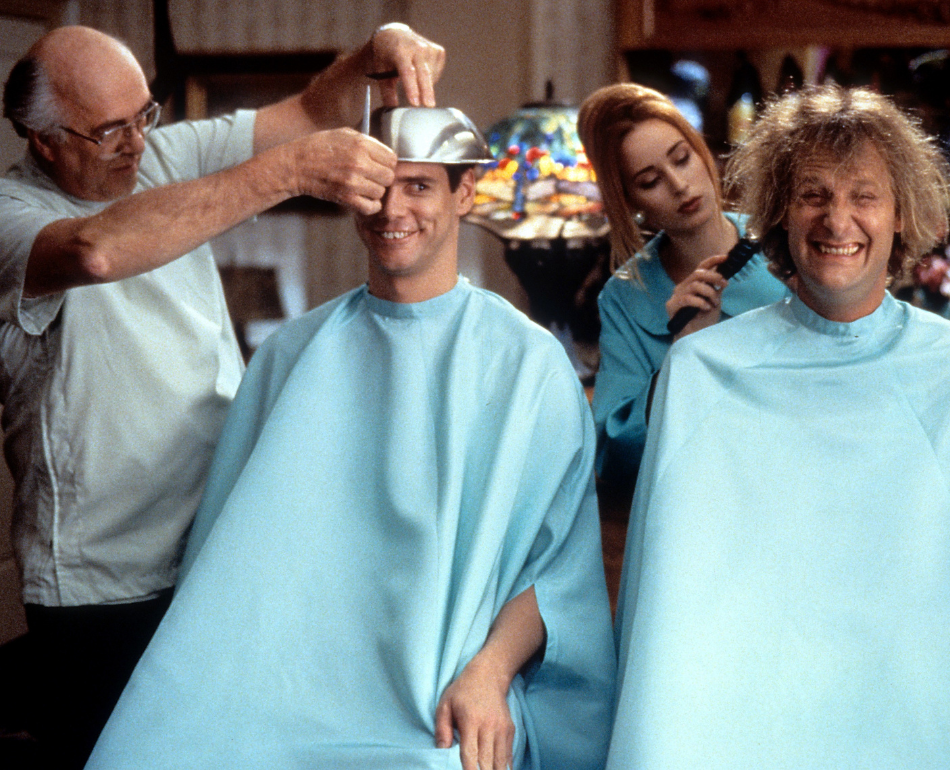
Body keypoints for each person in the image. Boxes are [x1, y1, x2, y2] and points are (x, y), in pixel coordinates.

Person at [85, 106, 616, 770]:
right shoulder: (290, 355)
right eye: (376, 187)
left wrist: (490, 673)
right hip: (284, 690)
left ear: (466, 192)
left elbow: (558, 568)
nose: (392, 209)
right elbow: (227, 569)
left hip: (443, 695)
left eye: (418, 185)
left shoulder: (529, 366)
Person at [0, 22, 445, 768]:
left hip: (220, 548)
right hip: (99, 583)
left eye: (144, 114)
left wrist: (375, 53)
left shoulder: (164, 154)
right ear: (43, 141)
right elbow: (95, 250)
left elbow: (312, 111)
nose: (137, 144)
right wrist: (287, 173)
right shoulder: (12, 215)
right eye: (110, 132)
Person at [605, 84, 950, 768]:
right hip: (752, 727)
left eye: (864, 195)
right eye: (813, 194)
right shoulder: (700, 373)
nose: (837, 220)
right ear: (779, 211)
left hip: (931, 725)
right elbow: (664, 608)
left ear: (900, 213)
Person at [576, 83, 789, 492]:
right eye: (649, 180)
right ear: (630, 202)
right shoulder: (626, 298)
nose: (679, 184)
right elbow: (615, 460)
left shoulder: (788, 243)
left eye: (681, 158)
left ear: (702, 152)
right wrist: (684, 354)